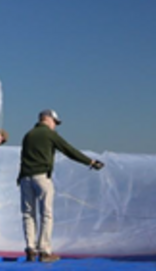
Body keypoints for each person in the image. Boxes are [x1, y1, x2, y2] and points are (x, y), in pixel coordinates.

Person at [17, 109, 104, 263]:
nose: (55, 126)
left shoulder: (28, 135)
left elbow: (23, 157)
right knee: (46, 214)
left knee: (28, 214)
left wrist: (20, 177)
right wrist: (91, 162)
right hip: (41, 177)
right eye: (55, 122)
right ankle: (44, 251)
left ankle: (30, 249)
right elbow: (68, 150)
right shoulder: (49, 134)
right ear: (48, 119)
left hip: (25, 177)